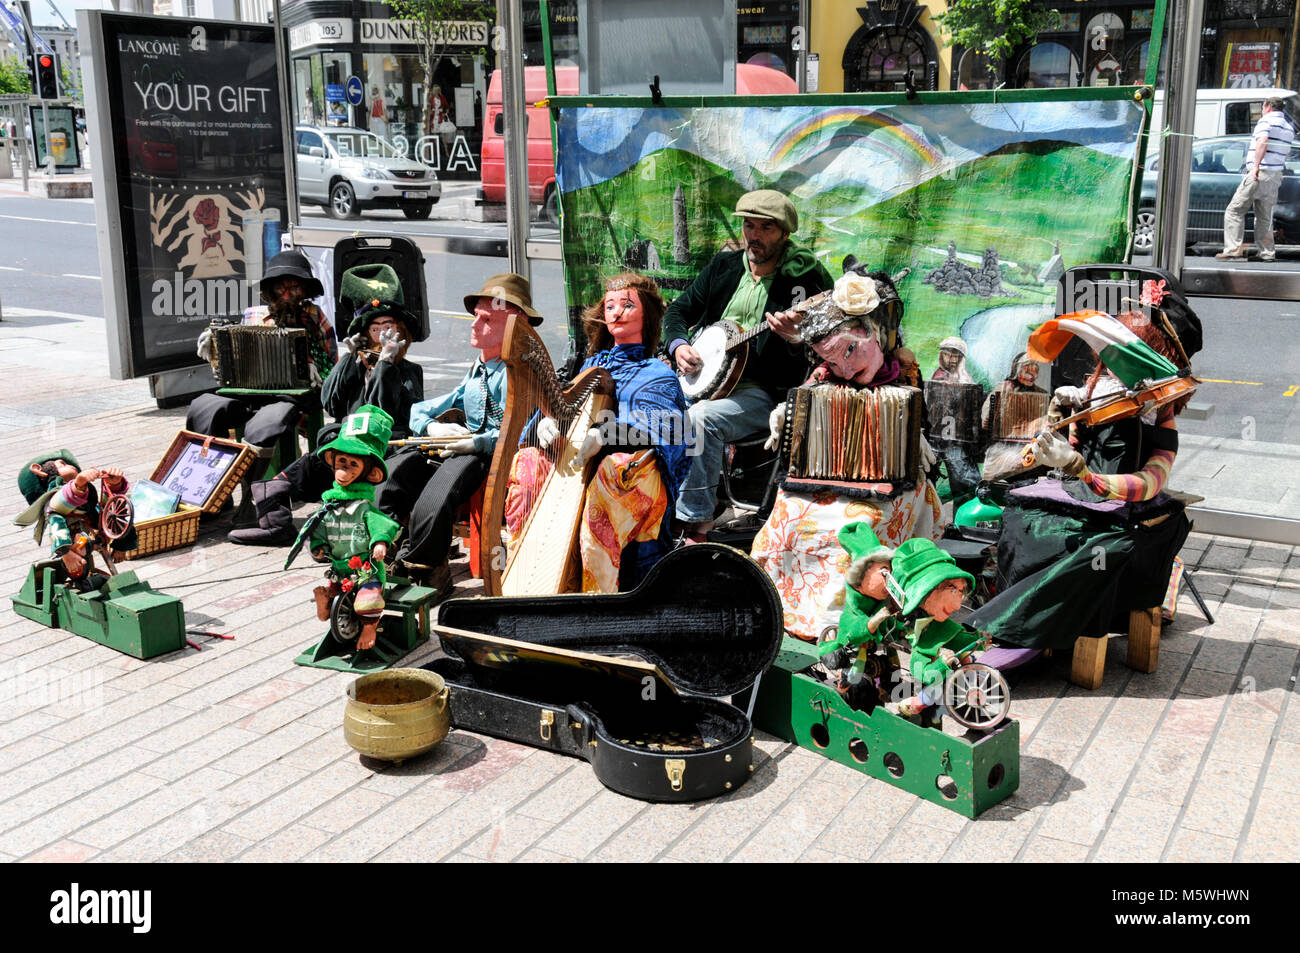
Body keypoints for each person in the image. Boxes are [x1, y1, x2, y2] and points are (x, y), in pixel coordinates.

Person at [968, 282, 1202, 651]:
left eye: (1127, 360)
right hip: (1080, 493)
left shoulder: (1159, 414)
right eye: (1110, 357)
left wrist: (1081, 470)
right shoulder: (1097, 394)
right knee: (1020, 516)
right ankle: (1013, 626)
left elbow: (1149, 482)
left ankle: (1023, 632)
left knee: (1081, 543)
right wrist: (1059, 416)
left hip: (1122, 507)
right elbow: (1072, 440)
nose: (1112, 370)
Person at [750, 266, 942, 642]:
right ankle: (780, 607)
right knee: (785, 518)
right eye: (835, 362)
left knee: (853, 530)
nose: (847, 369)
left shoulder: (903, 371)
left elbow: (922, 419)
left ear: (873, 333)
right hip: (824, 477)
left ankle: (846, 618)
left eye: (850, 352)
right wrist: (785, 416)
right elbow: (803, 399)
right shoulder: (825, 376)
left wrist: (910, 434)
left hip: (892, 485)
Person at [663, 189, 832, 542]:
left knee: (701, 420)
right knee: (648, 410)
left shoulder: (805, 280)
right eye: (748, 226)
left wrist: (794, 339)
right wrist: (679, 345)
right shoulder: (723, 268)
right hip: (703, 382)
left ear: (785, 233)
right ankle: (651, 508)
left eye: (765, 229)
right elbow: (679, 311)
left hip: (762, 394)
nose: (754, 236)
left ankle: (695, 523)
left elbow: (825, 345)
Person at [506, 273, 690, 592]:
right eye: (610, 306)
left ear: (646, 314)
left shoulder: (658, 374)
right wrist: (543, 425)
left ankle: (598, 596)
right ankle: (522, 580)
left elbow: (664, 434)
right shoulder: (591, 366)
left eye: (627, 305)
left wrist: (606, 434)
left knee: (612, 470)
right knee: (528, 463)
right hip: (581, 472)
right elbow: (559, 406)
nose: (616, 312)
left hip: (626, 477)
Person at [229, 267, 423, 546]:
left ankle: (336, 525)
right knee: (315, 457)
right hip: (348, 447)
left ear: (401, 332)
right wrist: (348, 358)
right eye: (376, 328)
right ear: (366, 334)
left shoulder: (408, 371)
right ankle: (275, 522)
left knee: (340, 451)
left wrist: (385, 365)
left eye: (389, 327)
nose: (383, 335)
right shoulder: (357, 366)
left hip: (385, 449)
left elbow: (381, 411)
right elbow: (330, 402)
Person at [380, 273, 541, 582]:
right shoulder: (478, 368)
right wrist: (430, 428)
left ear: (514, 326)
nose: (473, 324)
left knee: (439, 490)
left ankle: (426, 565)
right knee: (394, 472)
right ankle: (385, 546)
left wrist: (477, 443)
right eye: (476, 317)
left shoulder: (518, 373)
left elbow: (520, 431)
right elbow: (423, 409)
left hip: (488, 454)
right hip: (458, 444)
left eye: (486, 320)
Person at [187, 250, 337, 478]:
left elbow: (332, 366)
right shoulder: (252, 315)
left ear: (304, 289)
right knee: (204, 408)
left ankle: (259, 482)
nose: (287, 294)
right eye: (280, 288)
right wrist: (215, 344)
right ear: (270, 290)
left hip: (295, 396)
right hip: (249, 391)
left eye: (294, 287)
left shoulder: (315, 316)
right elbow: (234, 358)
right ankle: (209, 483)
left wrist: (311, 366)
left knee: (267, 422)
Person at [285, 406, 401, 652]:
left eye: (352, 465)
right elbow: (318, 529)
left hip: (366, 569)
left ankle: (369, 627)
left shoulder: (364, 508)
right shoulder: (330, 506)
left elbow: (382, 522)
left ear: (368, 472)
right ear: (333, 461)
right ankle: (326, 604)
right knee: (335, 588)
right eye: (341, 462)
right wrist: (318, 547)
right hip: (339, 568)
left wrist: (380, 542)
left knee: (368, 599)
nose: (343, 470)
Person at [881, 538, 989, 718]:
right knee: (937, 686)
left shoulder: (943, 625)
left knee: (967, 658)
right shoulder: (920, 639)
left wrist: (979, 638)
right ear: (923, 594)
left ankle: (970, 693)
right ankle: (917, 703)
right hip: (936, 669)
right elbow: (921, 672)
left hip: (952, 662)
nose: (956, 606)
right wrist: (940, 664)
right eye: (953, 589)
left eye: (961, 591)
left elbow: (957, 637)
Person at [15, 451, 137, 590]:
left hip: (90, 535)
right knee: (78, 565)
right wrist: (65, 553)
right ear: (40, 471)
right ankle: (81, 582)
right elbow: (62, 501)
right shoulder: (54, 501)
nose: (72, 466)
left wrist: (114, 485)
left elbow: (108, 510)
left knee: (112, 518)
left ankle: (108, 581)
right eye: (62, 464)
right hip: (73, 544)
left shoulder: (87, 498)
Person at [1217, 97, 1295, 262]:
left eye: (1262, 107)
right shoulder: (1288, 128)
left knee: (1234, 211)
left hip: (1259, 172)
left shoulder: (1265, 121)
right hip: (1275, 175)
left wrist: (1256, 167)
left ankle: (1232, 249)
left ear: (1267, 106)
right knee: (1265, 216)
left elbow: (1262, 141)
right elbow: (1286, 152)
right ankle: (1266, 253)